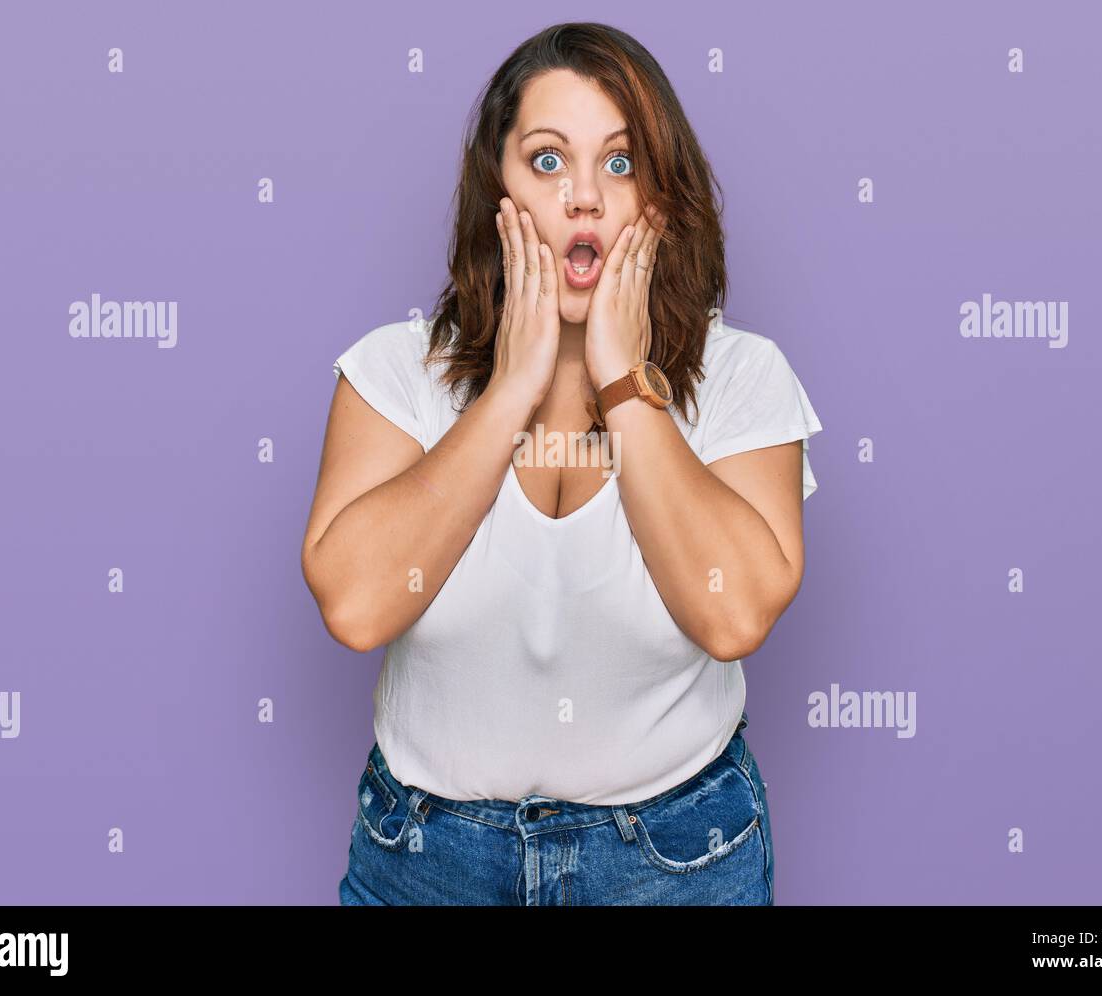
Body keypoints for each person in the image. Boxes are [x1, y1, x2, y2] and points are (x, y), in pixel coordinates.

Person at [302, 21, 822, 906]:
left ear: (662, 196)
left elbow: (731, 616)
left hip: (673, 864)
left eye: (620, 165)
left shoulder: (745, 378)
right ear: (494, 191)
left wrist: (623, 383)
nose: (584, 197)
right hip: (426, 862)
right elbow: (355, 606)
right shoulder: (395, 372)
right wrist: (510, 390)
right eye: (548, 161)